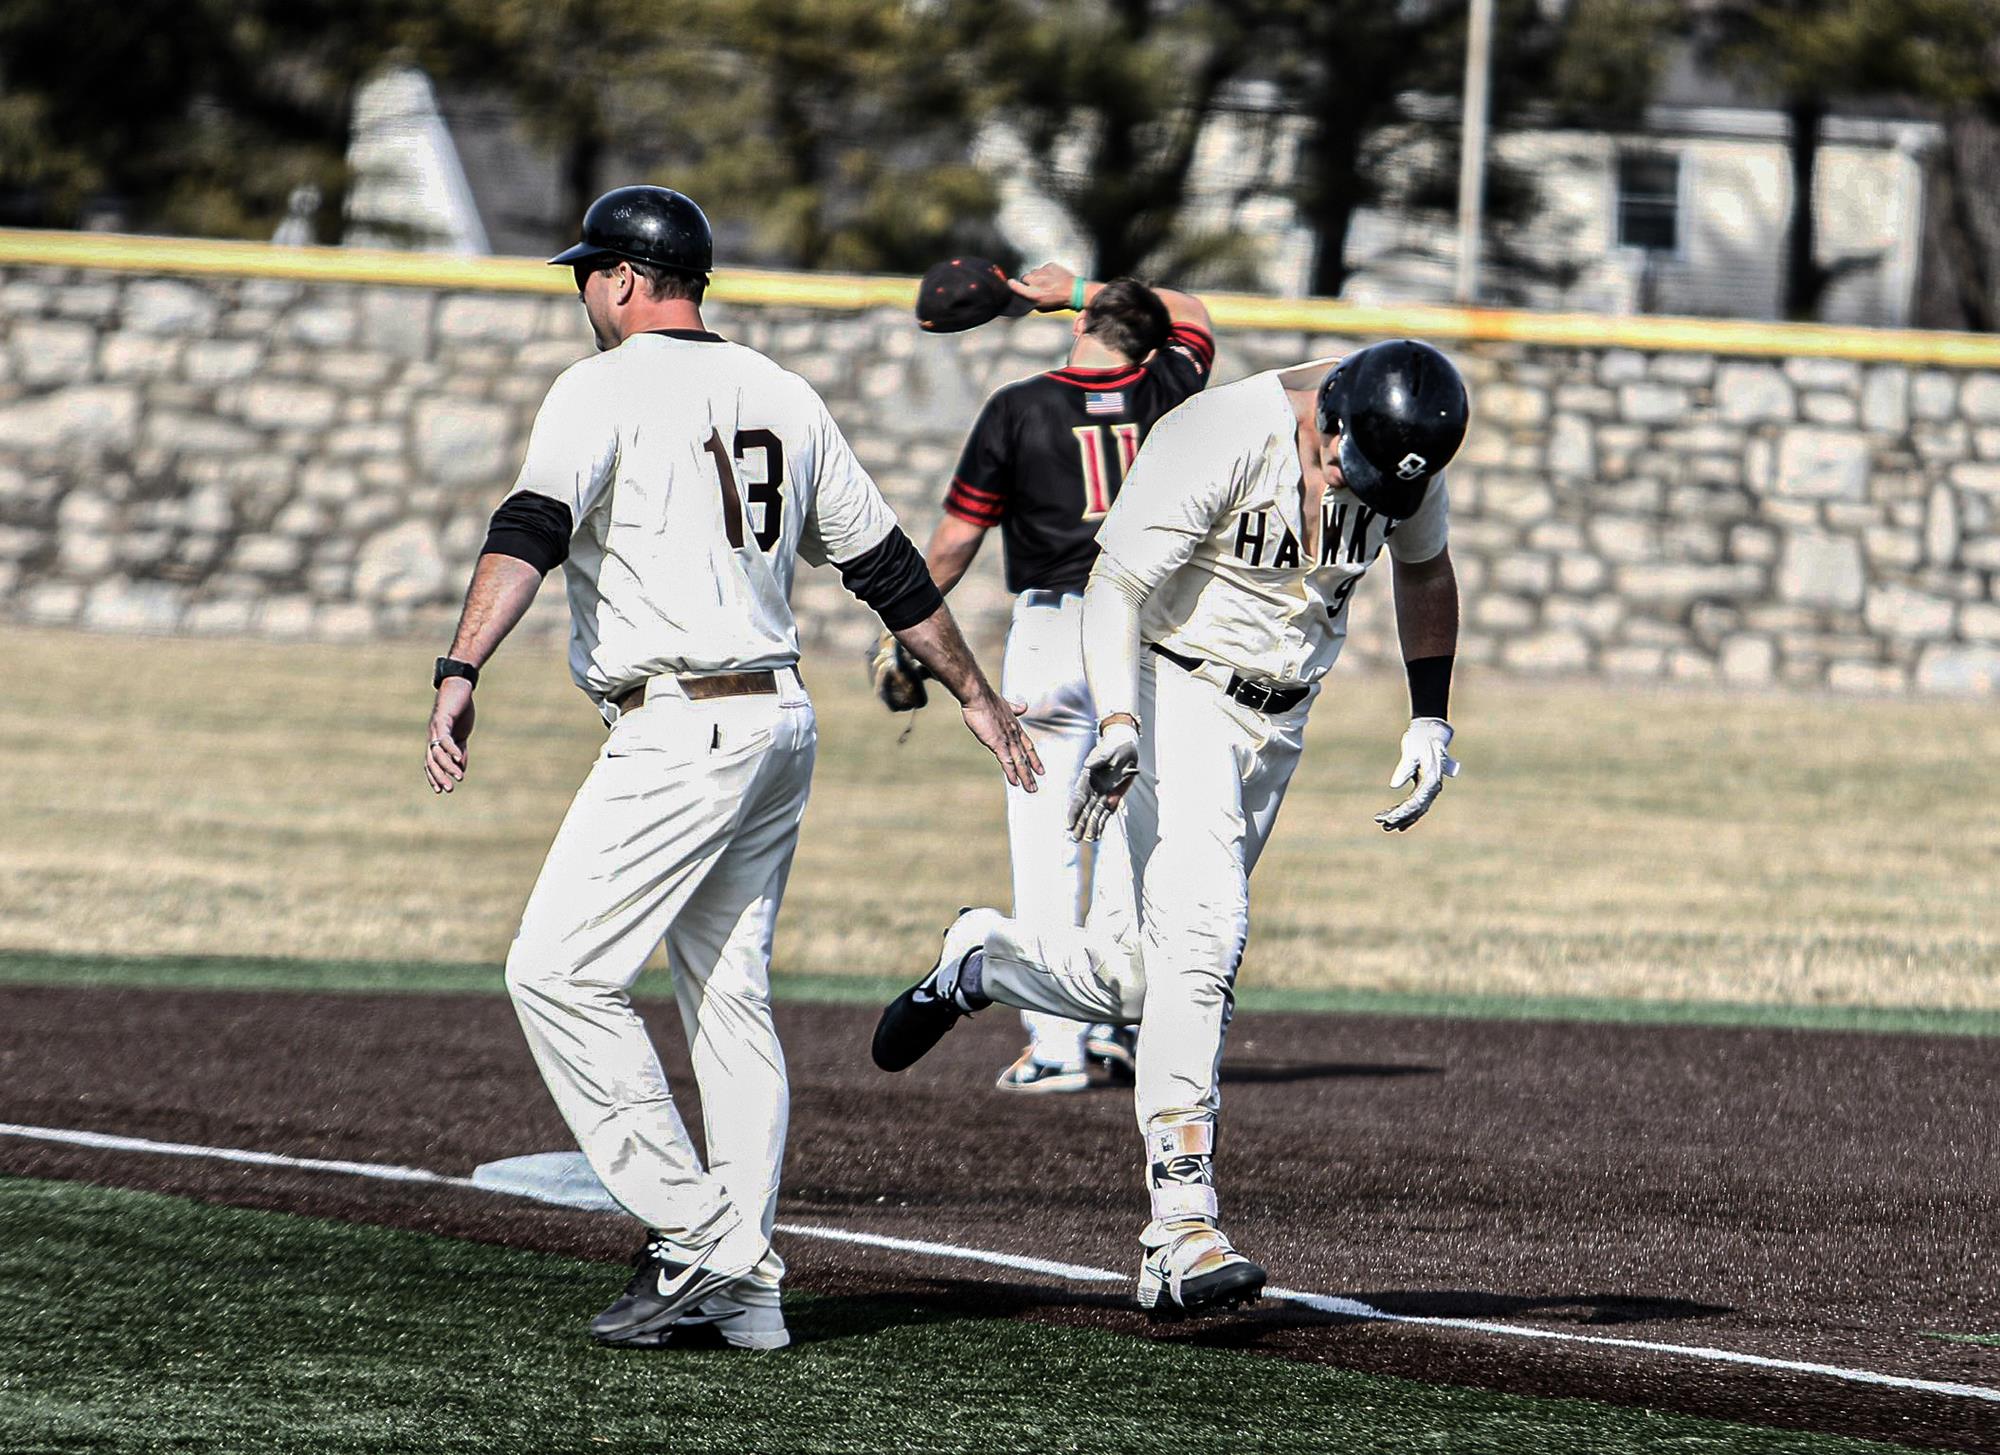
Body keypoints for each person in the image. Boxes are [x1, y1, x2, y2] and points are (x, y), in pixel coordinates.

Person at [423, 185, 1041, 1350]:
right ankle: (747, 1299)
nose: (582, 295)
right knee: (727, 998)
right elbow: (889, 567)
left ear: (619, 278)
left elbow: (529, 528)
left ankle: (704, 1236)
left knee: (556, 973)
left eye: (585, 275)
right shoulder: (779, 390)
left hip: (683, 727)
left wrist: (461, 662)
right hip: (778, 723)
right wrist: (974, 692)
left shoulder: (597, 387)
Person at [870, 338, 1471, 1319]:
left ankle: (980, 962)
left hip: (1275, 728)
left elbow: (1424, 568)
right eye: (1342, 461)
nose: (1346, 486)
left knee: (1132, 979)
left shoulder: (1401, 445)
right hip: (1172, 689)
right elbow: (1113, 585)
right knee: (1206, 937)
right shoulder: (1219, 433)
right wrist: (1116, 721)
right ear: (1331, 412)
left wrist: (1429, 714)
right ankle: (1179, 1229)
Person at [877, 258, 1214, 1094]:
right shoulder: (1174, 384)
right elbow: (1191, 309)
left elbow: (954, 543)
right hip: (1150, 636)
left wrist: (903, 635)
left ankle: (1058, 1042)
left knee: (1049, 851)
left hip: (1055, 636)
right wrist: (1071, 288)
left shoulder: (1019, 407)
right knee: (1141, 845)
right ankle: (1114, 1030)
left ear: (1078, 330)